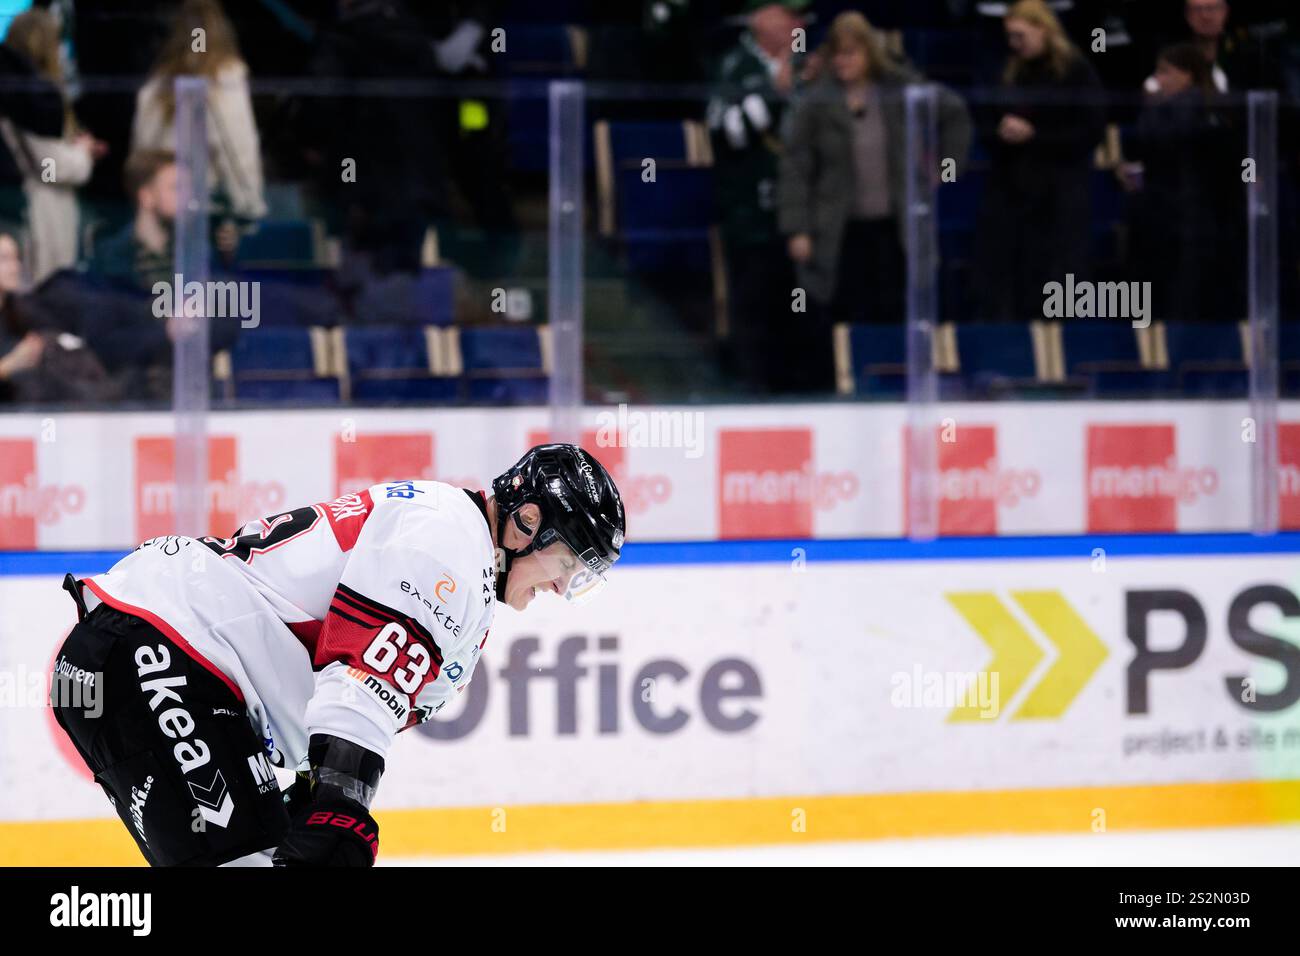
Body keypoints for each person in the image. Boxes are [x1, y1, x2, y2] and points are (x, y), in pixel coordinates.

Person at [50, 444, 627, 867]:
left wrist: (319, 792)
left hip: (157, 658)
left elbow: (345, 687)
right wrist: (339, 801)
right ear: (528, 522)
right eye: (570, 562)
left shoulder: (463, 559)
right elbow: (360, 677)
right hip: (159, 650)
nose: (562, 585)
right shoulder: (450, 540)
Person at [779, 11, 971, 371]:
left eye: (851, 53)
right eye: (837, 53)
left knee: (897, 305)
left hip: (896, 226)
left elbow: (955, 112)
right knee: (842, 309)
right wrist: (797, 227)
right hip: (840, 229)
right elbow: (795, 168)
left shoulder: (900, 88)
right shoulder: (816, 102)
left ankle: (897, 378)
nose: (842, 61)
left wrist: (945, 167)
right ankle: (847, 380)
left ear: (869, 53)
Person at [973, 0, 1105, 323]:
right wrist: (1002, 130)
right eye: (1010, 37)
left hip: (1061, 194)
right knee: (1012, 273)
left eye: (1021, 36)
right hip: (1013, 191)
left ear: (1043, 29)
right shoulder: (1006, 67)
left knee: (1062, 275)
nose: (1014, 44)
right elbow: (983, 121)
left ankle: (1067, 352)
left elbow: (1090, 130)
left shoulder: (1076, 70)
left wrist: (1036, 134)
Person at [707, 0, 809, 394]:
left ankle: (798, 392)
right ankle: (753, 392)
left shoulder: (807, 66)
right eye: (789, 15)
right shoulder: (735, 66)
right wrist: (773, 93)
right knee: (754, 305)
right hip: (749, 214)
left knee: (798, 307)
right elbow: (727, 133)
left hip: (799, 215)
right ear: (760, 19)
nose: (798, 24)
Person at [131, 0, 265, 258]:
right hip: (205, 216)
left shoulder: (154, 87)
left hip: (158, 210)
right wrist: (248, 211)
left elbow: (141, 158)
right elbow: (239, 153)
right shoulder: (225, 82)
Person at [1123, 42, 1243, 323]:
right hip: (1191, 219)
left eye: (1165, 72)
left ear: (1187, 74)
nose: (1157, 80)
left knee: (1181, 300)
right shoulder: (1208, 110)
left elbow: (1150, 145)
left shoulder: (1182, 110)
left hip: (1181, 220)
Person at [2, 8, 106, 283]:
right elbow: (51, 167)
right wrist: (82, 154)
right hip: (42, 209)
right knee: (47, 287)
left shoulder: (28, 93)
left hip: (42, 206)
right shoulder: (30, 98)